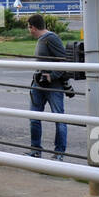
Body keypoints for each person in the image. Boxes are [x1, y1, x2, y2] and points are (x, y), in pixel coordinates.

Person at [26, 14, 71, 160]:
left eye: (29, 27)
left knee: (59, 118)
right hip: (39, 83)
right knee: (34, 117)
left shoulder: (51, 38)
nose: (29, 30)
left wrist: (52, 75)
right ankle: (35, 150)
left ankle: (59, 153)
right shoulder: (42, 39)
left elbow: (63, 60)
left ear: (32, 27)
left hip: (53, 86)